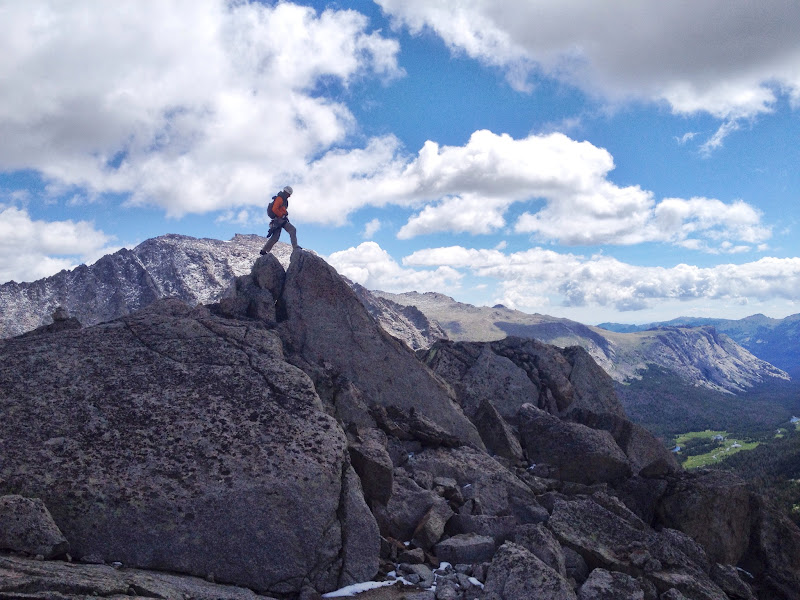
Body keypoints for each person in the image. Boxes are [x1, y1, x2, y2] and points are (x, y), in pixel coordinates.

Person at [260, 185, 301, 254]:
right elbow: (274, 209)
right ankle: (295, 247)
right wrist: (282, 215)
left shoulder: (283, 199)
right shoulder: (280, 199)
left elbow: (279, 209)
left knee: (275, 237)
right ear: (286, 192)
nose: (289, 196)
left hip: (277, 220)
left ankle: (264, 251)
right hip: (279, 219)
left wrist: (284, 214)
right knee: (292, 230)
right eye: (289, 194)